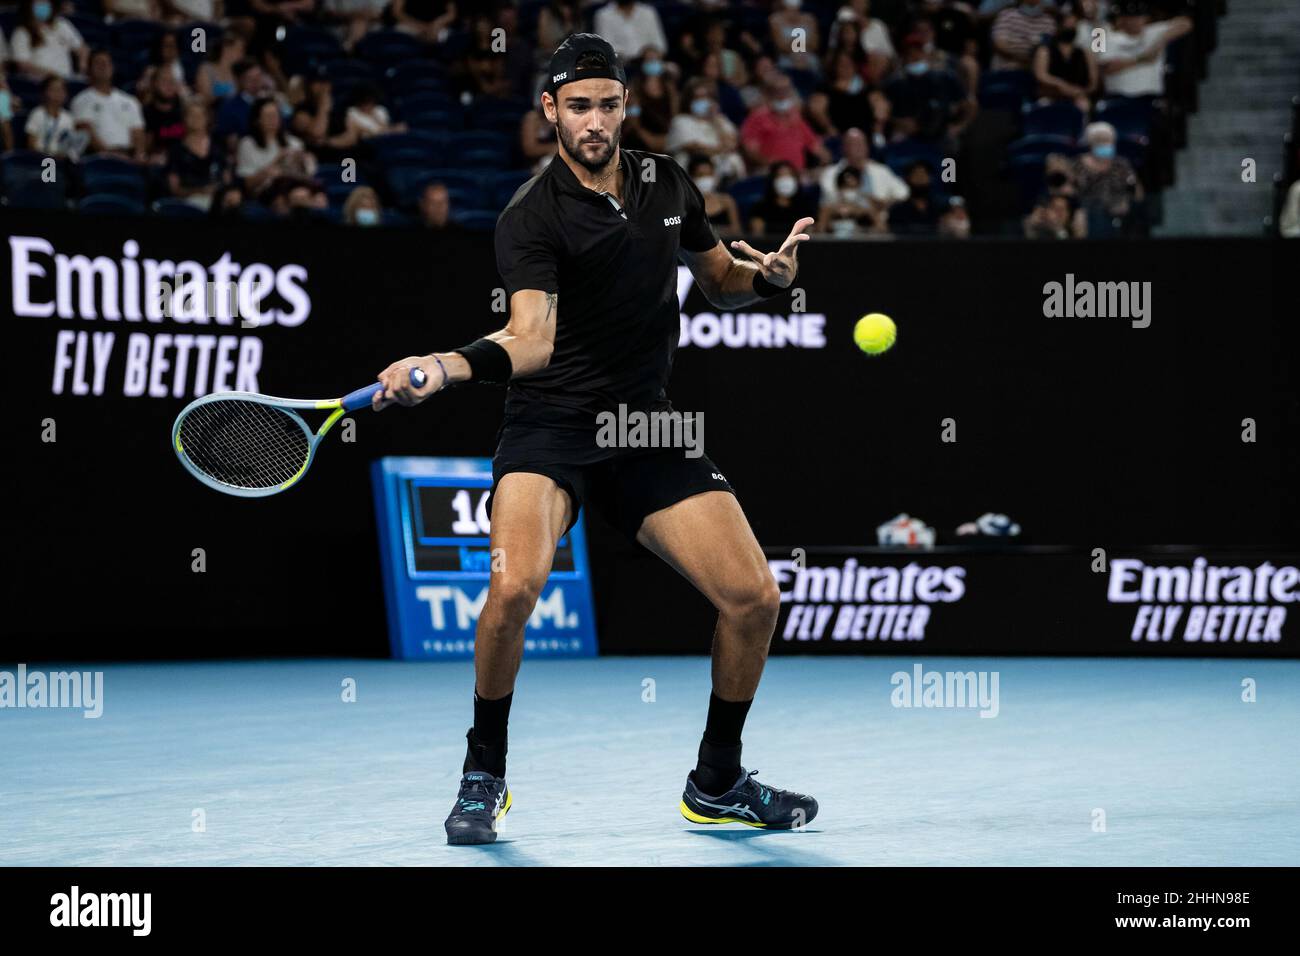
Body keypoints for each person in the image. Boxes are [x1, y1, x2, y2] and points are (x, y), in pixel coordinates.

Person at [367, 33, 819, 845]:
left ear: (623, 106)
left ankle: (716, 781)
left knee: (754, 598)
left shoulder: (666, 183)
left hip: (646, 425)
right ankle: (484, 773)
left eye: (608, 104)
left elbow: (718, 280)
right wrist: (448, 364)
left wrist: (769, 280)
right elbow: (531, 340)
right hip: (551, 428)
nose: (595, 121)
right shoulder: (529, 217)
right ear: (550, 111)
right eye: (578, 106)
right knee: (512, 590)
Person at [1098, 3, 1192, 98]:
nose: (1134, 21)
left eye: (1138, 17)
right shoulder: (1106, 36)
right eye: (1130, 18)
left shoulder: (1152, 32)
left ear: (1146, 18)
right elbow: (1105, 68)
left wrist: (1160, 43)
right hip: (1117, 96)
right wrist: (1142, 59)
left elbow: (1185, 23)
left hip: (1149, 97)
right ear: (1121, 19)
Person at [70, 49, 147, 161]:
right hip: (98, 158)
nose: (103, 66)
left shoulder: (130, 101)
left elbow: (138, 132)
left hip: (128, 156)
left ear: (113, 67)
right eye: (98, 63)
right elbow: (85, 131)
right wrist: (108, 154)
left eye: (107, 63)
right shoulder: (82, 100)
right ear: (90, 69)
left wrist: (139, 155)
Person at [236, 96, 316, 195]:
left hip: (294, 187)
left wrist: (302, 162)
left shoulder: (294, 143)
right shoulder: (247, 144)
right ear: (257, 120)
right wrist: (277, 160)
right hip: (265, 193)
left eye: (276, 115)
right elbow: (248, 183)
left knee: (315, 195)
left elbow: (308, 175)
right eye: (269, 116)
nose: (274, 119)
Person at [1032, 10, 1096, 111]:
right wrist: (1060, 85)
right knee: (1043, 105)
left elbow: (1093, 82)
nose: (1071, 27)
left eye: (1074, 25)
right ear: (1058, 27)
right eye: (1067, 24)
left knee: (1084, 105)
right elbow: (1041, 75)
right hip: (1051, 95)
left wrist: (1079, 91)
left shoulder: (1085, 53)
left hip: (1078, 95)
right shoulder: (1045, 51)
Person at [167, 101, 226, 209]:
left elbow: (227, 178)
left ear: (208, 118)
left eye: (200, 115)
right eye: (192, 115)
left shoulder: (219, 145)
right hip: (191, 200)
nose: (196, 119)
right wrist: (200, 191)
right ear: (184, 119)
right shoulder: (176, 150)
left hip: (219, 199)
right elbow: (174, 188)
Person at [9, 0, 87, 80]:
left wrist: (83, 65)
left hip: (66, 81)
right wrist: (52, 76)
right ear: (29, 6)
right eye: (38, 3)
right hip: (37, 83)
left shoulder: (62, 24)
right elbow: (22, 64)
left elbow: (81, 48)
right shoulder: (21, 32)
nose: (43, 6)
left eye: (46, 2)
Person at [747, 159, 817, 236]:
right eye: (781, 175)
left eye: (789, 175)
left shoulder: (805, 207)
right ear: (773, 180)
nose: (785, 180)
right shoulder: (760, 208)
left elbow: (810, 237)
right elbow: (757, 236)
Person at [26, 75, 84, 158]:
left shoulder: (68, 118)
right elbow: (31, 145)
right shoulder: (37, 114)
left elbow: (69, 145)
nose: (57, 93)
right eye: (53, 89)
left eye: (61, 90)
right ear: (44, 92)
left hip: (60, 160)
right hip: (39, 159)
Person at [592, 0, 666, 60]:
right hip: (619, 64)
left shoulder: (648, 12)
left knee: (667, 69)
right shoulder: (603, 15)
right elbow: (605, 47)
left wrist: (651, 51)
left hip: (647, 62)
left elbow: (659, 44)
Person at [687, 154, 740, 233]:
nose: (706, 179)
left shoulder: (727, 201)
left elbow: (737, 230)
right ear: (692, 178)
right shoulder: (687, 204)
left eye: (709, 174)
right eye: (701, 175)